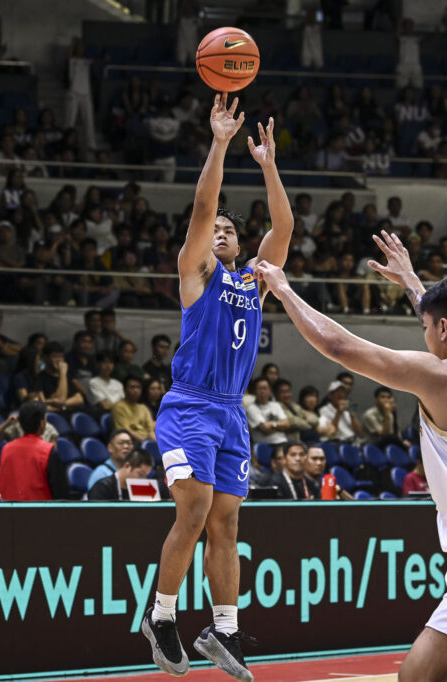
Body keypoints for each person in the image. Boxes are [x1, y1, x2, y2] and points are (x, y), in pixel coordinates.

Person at [254, 230, 447, 682]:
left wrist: (283, 289)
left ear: (443, 328)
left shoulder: (446, 376)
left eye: (427, 324)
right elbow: (443, 325)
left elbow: (342, 349)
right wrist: (414, 284)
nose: (424, 330)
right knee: (417, 676)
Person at [144, 94, 293, 682]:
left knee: (227, 523)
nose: (223, 232)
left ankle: (223, 628)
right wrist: (221, 142)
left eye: (232, 230)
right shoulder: (196, 273)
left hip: (232, 414)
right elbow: (204, 204)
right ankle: (161, 615)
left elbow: (283, 227)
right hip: (189, 406)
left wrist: (269, 165)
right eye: (219, 230)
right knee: (197, 508)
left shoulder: (255, 284)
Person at [0, 400, 70, 501]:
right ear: (42, 423)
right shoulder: (48, 451)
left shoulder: (6, 449)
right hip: (40, 513)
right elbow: (61, 492)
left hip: (8, 512)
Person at [88, 447, 156, 500]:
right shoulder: (102, 487)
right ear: (127, 466)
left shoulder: (142, 489)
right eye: (141, 474)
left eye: (146, 476)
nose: (143, 480)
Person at [245, 377, 290, 445]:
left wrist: (272, 425)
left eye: (265, 388)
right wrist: (280, 427)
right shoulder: (251, 408)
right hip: (265, 445)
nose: (262, 391)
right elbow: (265, 430)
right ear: (254, 391)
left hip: (283, 442)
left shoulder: (276, 405)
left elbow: (287, 424)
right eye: (260, 388)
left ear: (270, 391)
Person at [111, 376, 156, 442]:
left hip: (147, 441)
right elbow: (126, 431)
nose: (135, 390)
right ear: (124, 389)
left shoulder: (143, 408)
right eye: (132, 387)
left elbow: (150, 431)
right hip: (130, 442)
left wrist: (157, 445)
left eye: (138, 387)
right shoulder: (119, 407)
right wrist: (146, 443)